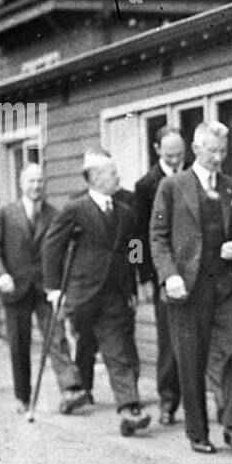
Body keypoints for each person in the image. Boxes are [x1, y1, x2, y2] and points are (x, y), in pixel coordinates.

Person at [149, 121, 232, 455]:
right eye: (212, 151)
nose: (218, 158)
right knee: (191, 360)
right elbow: (157, 237)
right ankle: (197, 431)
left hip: (227, 286)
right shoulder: (171, 186)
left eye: (223, 151)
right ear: (196, 149)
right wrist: (170, 275)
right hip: (188, 289)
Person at [42, 150, 151, 437]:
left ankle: (129, 408)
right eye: (113, 173)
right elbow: (52, 247)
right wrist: (54, 289)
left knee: (117, 351)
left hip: (114, 293)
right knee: (73, 341)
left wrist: (136, 281)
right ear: (96, 178)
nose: (118, 177)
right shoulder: (75, 209)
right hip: (81, 291)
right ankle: (73, 388)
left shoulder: (125, 212)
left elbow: (134, 248)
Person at [0, 164, 82, 414]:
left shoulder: (54, 214)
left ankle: (69, 389)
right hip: (15, 287)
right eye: (31, 181)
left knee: (55, 337)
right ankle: (23, 397)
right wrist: (1, 274)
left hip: (46, 287)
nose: (36, 186)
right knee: (19, 344)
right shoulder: (5, 213)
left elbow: (63, 249)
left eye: (40, 181)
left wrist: (60, 284)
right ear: (21, 183)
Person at [133, 128, 187, 426]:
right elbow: (136, 237)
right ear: (157, 150)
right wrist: (141, 276)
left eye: (180, 154)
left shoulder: (194, 176)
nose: (176, 160)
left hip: (193, 270)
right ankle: (168, 401)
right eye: (169, 155)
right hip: (161, 274)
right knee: (168, 340)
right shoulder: (145, 186)